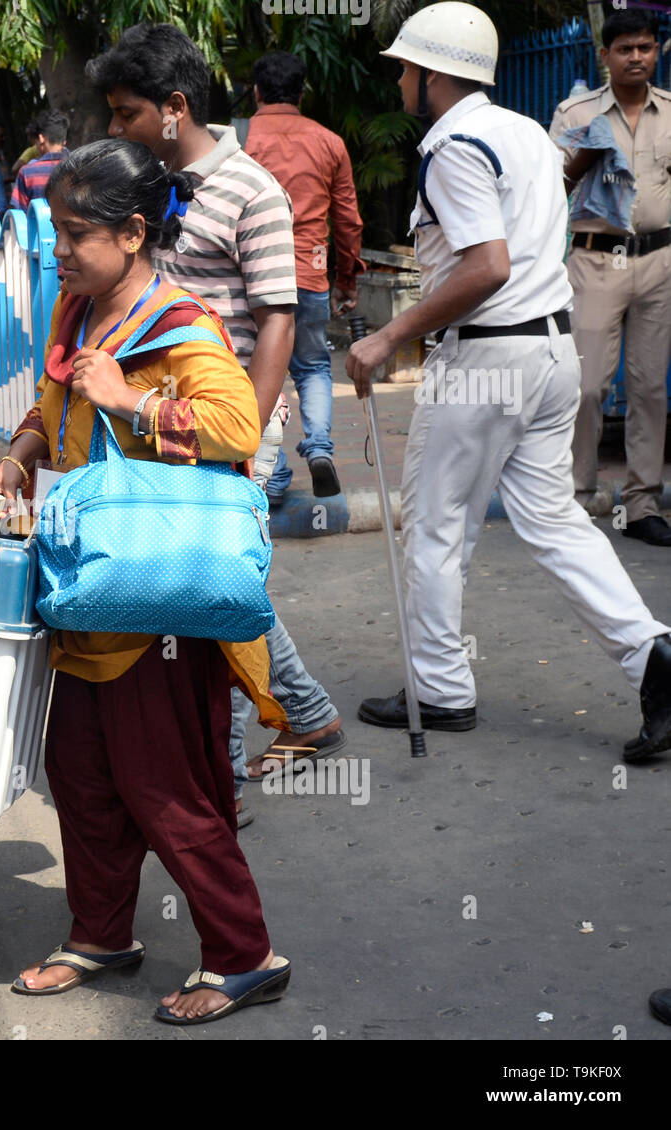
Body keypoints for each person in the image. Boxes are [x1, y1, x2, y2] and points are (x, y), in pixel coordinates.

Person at [0, 139, 291, 1024]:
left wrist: (133, 401)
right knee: (79, 776)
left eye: (76, 235)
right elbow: (53, 412)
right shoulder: (75, 312)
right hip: (82, 591)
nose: (61, 251)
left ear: (132, 232)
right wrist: (17, 456)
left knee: (170, 793)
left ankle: (244, 954)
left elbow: (237, 424)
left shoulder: (181, 324)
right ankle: (101, 934)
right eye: (56, 232)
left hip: (152, 600)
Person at [346, 2, 671, 765]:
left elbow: (486, 265)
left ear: (433, 75)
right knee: (553, 521)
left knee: (434, 522)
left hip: (487, 362)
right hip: (552, 353)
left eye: (405, 68)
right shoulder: (526, 132)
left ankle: (441, 691)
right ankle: (657, 659)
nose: (399, 79)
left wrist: (390, 333)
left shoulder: (455, 144)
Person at [88, 22, 346, 825]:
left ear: (173, 108)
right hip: (148, 421)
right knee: (214, 584)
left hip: (222, 422)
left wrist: (251, 439)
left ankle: (220, 787)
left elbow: (277, 319)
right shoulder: (140, 185)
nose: (113, 128)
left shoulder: (251, 189)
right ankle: (306, 713)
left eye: (125, 113)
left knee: (210, 591)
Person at [549, 8, 671, 547]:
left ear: (657, 52)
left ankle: (644, 504)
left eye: (645, 48)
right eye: (626, 49)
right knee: (589, 384)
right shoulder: (575, 111)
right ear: (606, 56)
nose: (637, 57)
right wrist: (586, 155)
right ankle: (578, 497)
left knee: (648, 387)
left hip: (659, 262)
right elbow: (549, 187)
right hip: (597, 260)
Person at [244, 50, 366, 500]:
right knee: (313, 366)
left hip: (255, 277)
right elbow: (348, 219)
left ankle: (271, 475)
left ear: (256, 92)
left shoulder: (240, 140)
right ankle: (318, 448)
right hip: (310, 273)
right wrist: (346, 280)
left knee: (260, 369)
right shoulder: (329, 141)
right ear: (301, 92)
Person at [10, 111, 70, 210]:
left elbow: (19, 213)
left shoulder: (27, 173)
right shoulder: (81, 167)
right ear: (64, 140)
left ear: (41, 138)